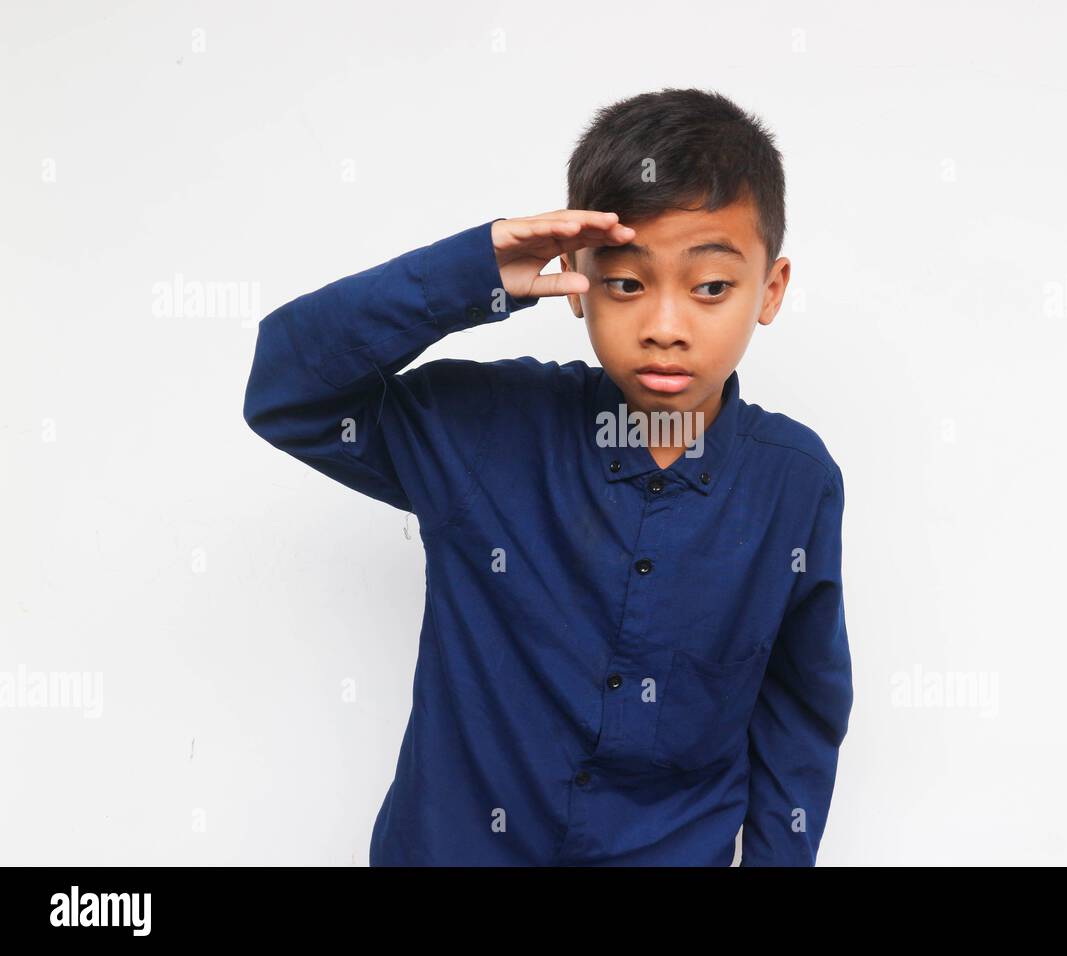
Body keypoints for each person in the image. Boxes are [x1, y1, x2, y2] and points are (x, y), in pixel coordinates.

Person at [242, 87, 853, 866]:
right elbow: (288, 392)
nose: (665, 326)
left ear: (769, 290)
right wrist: (472, 274)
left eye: (709, 287)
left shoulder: (794, 484)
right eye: (626, 283)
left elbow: (799, 712)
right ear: (575, 280)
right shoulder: (486, 428)